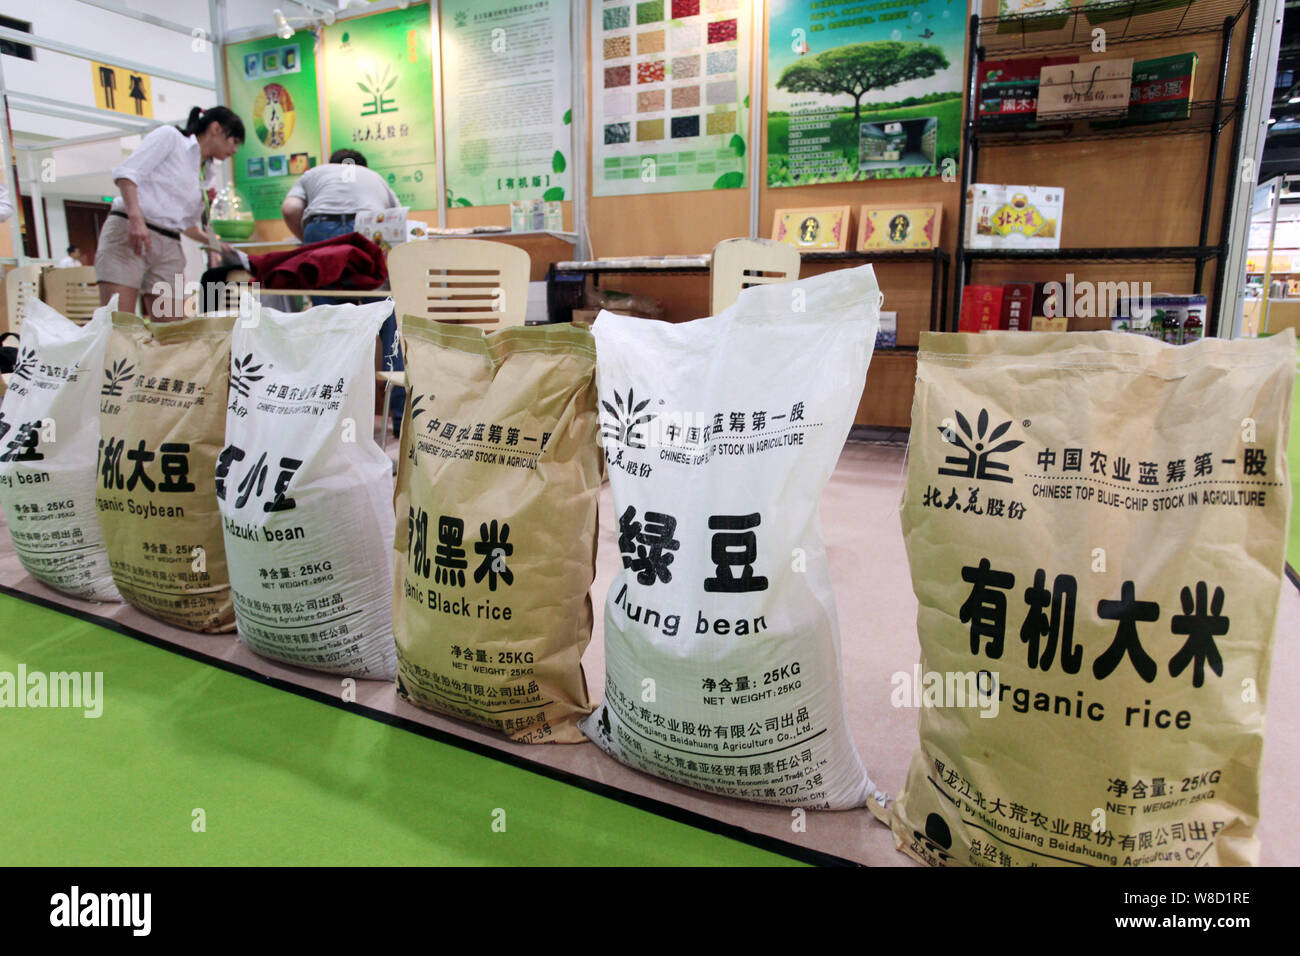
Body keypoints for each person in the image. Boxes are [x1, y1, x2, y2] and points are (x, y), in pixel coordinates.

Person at [282, 149, 405, 438]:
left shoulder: (313, 174)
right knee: (389, 323)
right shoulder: (373, 177)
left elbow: (289, 209)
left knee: (331, 327)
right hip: (368, 229)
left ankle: (331, 422)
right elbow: (395, 223)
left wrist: (309, 239)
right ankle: (399, 421)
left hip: (321, 231)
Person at [96, 106, 244, 319]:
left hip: (168, 243)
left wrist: (215, 243)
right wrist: (137, 222)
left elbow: (187, 225)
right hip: (130, 233)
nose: (235, 150)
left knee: (174, 328)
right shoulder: (171, 138)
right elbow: (126, 175)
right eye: (235, 141)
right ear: (215, 128)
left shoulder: (206, 171)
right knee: (119, 322)